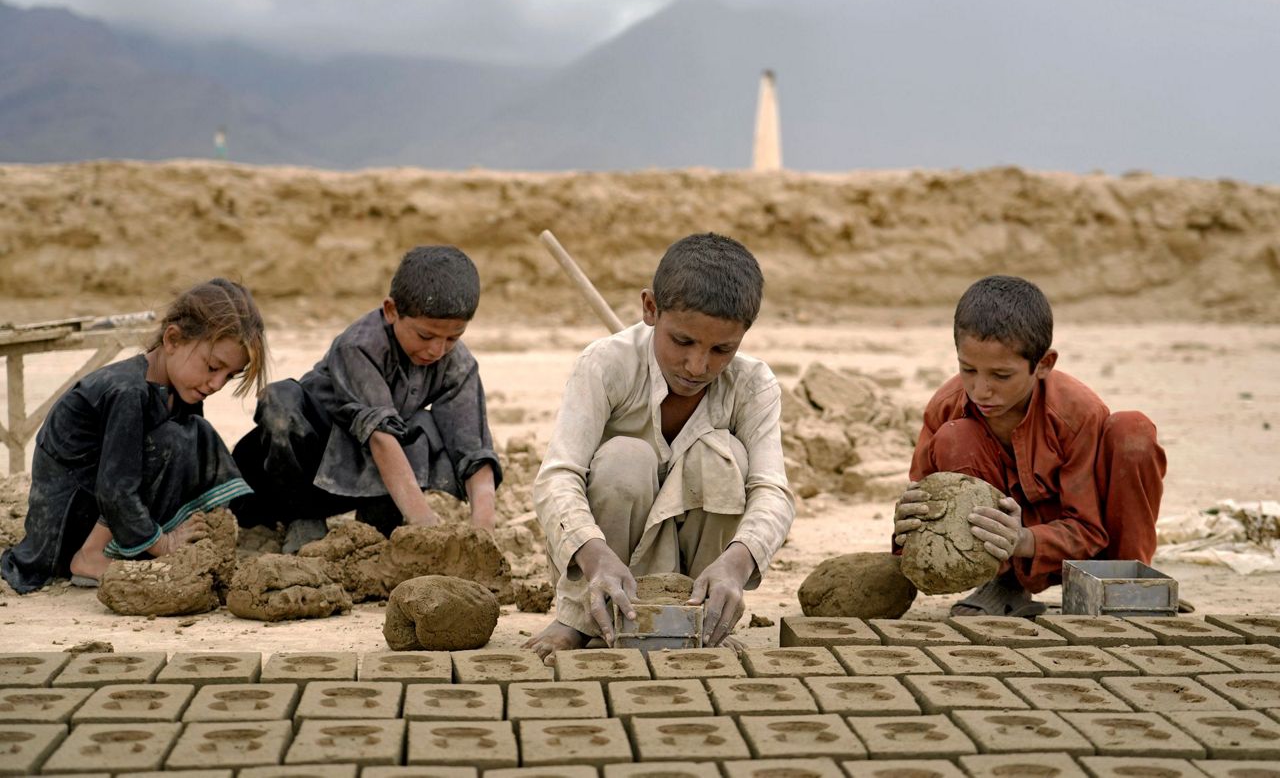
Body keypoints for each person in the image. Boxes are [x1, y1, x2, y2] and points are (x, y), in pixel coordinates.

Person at [526, 233, 794, 661]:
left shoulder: (753, 384)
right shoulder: (604, 364)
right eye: (682, 341)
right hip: (604, 564)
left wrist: (736, 564)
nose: (698, 366)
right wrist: (595, 558)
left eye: (722, 349)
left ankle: (701, 618)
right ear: (651, 309)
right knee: (624, 458)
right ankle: (581, 619)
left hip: (696, 576)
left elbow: (773, 493)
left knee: (722, 457)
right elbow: (558, 477)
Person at [893, 275, 1167, 617]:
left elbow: (1089, 531)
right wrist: (907, 525)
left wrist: (1024, 539)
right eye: (968, 370)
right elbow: (926, 507)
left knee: (1133, 431)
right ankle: (1004, 585)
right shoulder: (945, 407)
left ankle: (1127, 586)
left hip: (1087, 549)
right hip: (1002, 552)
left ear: (1043, 365)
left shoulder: (1077, 413)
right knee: (953, 436)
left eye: (1001, 376)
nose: (981, 390)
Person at [1, 278, 268, 593]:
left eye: (228, 376)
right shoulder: (128, 392)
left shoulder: (181, 391)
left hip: (112, 511)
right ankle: (92, 556)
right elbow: (115, 488)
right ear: (172, 340)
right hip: (66, 527)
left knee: (196, 433)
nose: (216, 384)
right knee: (171, 441)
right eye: (212, 367)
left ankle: (159, 537)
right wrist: (164, 545)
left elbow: (189, 461)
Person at [230, 245, 500, 549]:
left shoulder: (457, 364)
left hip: (372, 476)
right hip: (305, 467)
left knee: (422, 424)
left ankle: (379, 527)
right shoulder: (359, 345)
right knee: (281, 400)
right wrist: (425, 523)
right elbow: (380, 437)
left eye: (453, 337)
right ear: (391, 311)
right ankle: (301, 517)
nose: (437, 350)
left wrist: (483, 531)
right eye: (425, 336)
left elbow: (473, 448)